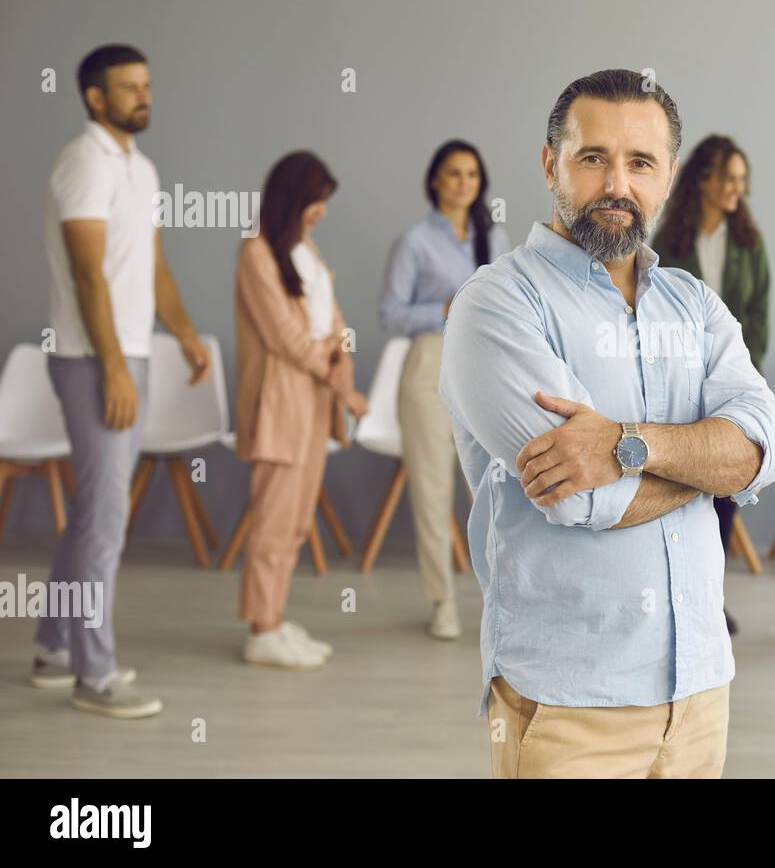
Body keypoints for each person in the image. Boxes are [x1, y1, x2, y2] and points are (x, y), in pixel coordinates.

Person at [439, 69, 775, 778]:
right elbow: (580, 496)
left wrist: (630, 446)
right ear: (550, 163)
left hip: (699, 694)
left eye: (640, 162)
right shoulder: (497, 303)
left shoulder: (694, 304)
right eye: (593, 157)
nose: (616, 183)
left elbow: (759, 448)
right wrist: (707, 467)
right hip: (569, 704)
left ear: (668, 176)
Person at [30, 44, 211, 719]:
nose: (144, 96)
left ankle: (53, 646)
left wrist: (185, 334)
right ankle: (95, 673)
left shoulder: (140, 167)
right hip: (90, 357)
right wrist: (111, 365)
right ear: (93, 98)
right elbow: (87, 275)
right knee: (106, 517)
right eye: (128, 88)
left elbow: (153, 267)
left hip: (129, 352)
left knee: (90, 511)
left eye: (147, 84)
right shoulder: (83, 162)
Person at [234, 151, 367, 669]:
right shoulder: (257, 254)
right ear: (292, 198)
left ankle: (273, 618)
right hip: (281, 401)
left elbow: (332, 324)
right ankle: (260, 629)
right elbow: (286, 338)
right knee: (272, 518)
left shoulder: (305, 252)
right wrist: (340, 383)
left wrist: (341, 366)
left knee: (294, 519)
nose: (321, 211)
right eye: (315, 201)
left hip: (313, 401)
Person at [379, 141, 509, 640]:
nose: (463, 183)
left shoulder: (493, 238)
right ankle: (443, 603)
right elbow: (389, 314)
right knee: (433, 491)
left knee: (498, 490)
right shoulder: (414, 242)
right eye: (453, 174)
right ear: (435, 180)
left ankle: (505, 599)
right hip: (429, 366)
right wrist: (444, 309)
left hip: (485, 369)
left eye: (472, 174)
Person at [650, 134, 769, 635]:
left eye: (742, 180)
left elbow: (758, 315)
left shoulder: (749, 243)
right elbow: (652, 313)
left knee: (727, 493)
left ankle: (711, 600)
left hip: (732, 386)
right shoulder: (669, 244)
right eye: (728, 178)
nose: (736, 189)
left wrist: (741, 379)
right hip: (681, 389)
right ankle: (686, 598)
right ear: (703, 180)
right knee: (684, 493)